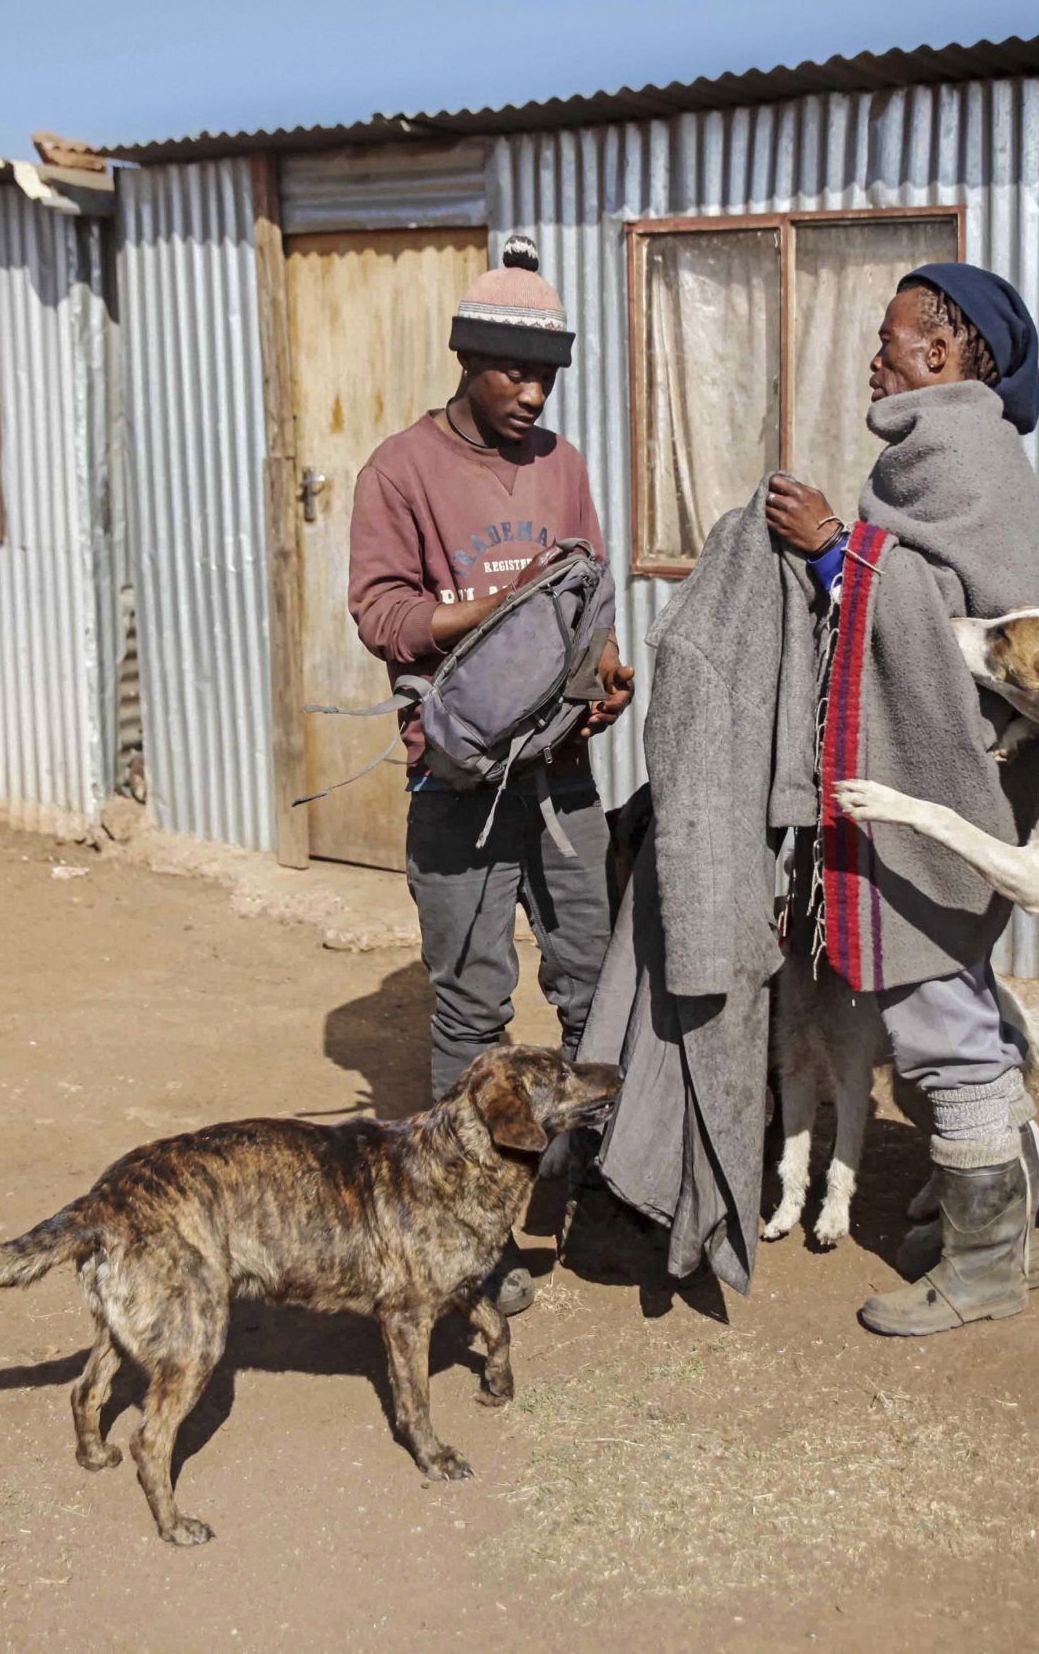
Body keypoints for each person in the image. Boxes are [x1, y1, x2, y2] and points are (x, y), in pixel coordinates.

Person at [763, 263, 1039, 1337]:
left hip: (951, 779)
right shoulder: (940, 456)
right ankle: (986, 1220)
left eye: (889, 338)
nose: (874, 354)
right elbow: (933, 599)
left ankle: (987, 1268)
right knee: (961, 998)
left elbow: (990, 632)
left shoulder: (965, 453)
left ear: (939, 354)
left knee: (940, 1023)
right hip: (939, 777)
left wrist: (832, 550)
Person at [346, 234, 635, 1314]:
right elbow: (380, 614)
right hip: (458, 787)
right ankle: (466, 1238)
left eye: (549, 374)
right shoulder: (400, 470)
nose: (533, 392)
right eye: (515, 370)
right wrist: (492, 613)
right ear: (467, 362)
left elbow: (587, 604)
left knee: (591, 990)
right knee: (471, 1009)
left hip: (561, 781)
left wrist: (603, 678)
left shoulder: (560, 467)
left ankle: (594, 1193)